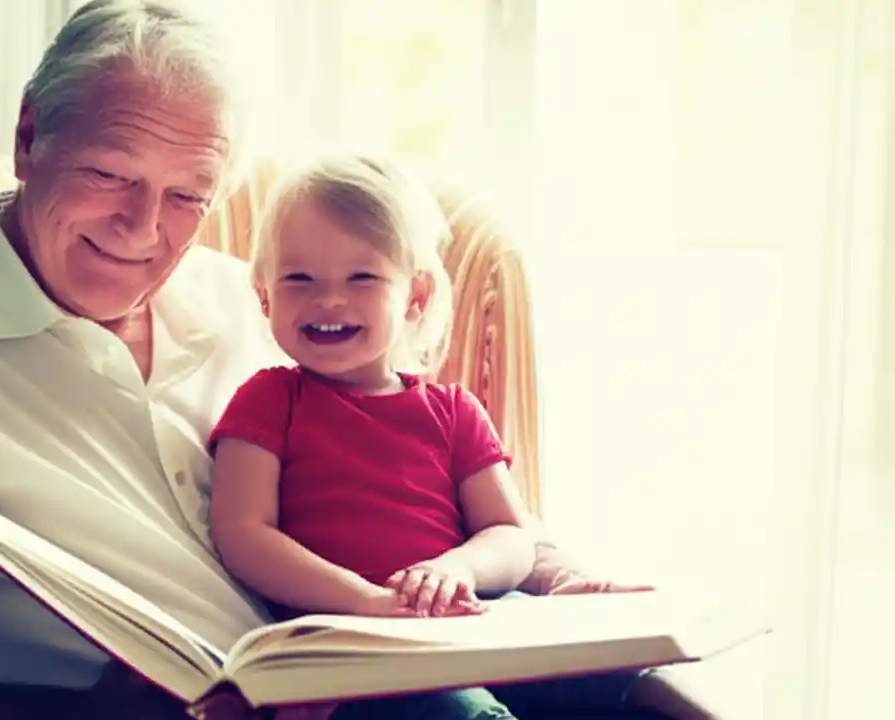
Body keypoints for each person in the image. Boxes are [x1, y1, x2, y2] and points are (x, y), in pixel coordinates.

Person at [0, 1, 728, 718]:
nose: (145, 230)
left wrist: (558, 578)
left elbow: (437, 486)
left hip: (385, 666)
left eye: (189, 194)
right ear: (28, 138)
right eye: (109, 174)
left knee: (664, 699)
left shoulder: (259, 301)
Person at [207, 156, 727, 720]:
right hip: (355, 653)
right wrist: (365, 601)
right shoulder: (269, 401)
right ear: (264, 296)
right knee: (461, 713)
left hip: (474, 630)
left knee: (639, 693)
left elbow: (511, 534)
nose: (329, 299)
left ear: (416, 296)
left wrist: (457, 569)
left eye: (362, 277)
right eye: (298, 279)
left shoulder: (454, 411)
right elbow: (242, 533)